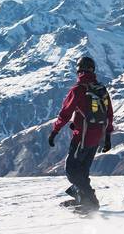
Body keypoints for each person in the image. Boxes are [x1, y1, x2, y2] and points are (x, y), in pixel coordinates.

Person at [47, 55, 113, 209]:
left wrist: (54, 132)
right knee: (82, 170)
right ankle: (81, 199)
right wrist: (107, 136)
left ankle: (91, 201)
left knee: (71, 171)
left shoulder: (78, 90)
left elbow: (65, 113)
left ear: (78, 71)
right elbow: (109, 114)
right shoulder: (102, 90)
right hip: (97, 137)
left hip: (82, 137)